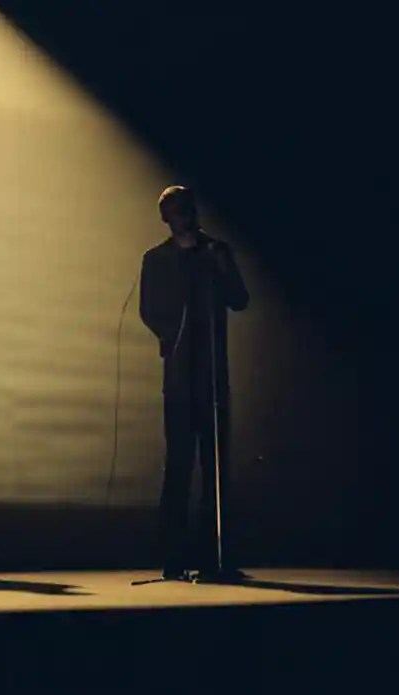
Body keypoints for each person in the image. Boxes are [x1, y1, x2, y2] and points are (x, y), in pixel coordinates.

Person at [140, 185, 249, 580]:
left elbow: (240, 299)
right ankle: (173, 558)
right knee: (179, 467)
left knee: (215, 469)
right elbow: (148, 311)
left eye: (189, 209)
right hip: (180, 378)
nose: (186, 216)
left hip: (214, 377)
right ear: (166, 218)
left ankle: (213, 558)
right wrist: (175, 334)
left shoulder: (216, 253)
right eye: (177, 211)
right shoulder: (155, 260)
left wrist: (222, 267)